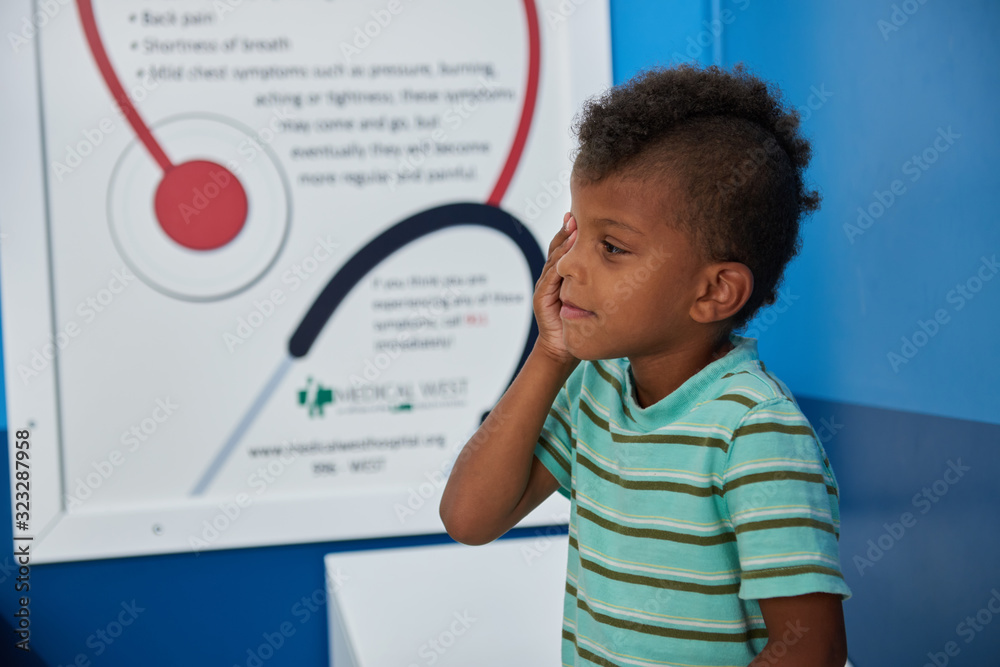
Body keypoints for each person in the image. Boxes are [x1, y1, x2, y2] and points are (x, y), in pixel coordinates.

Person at [439, 62, 851, 666]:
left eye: (611, 247)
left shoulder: (755, 431)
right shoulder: (595, 387)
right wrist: (551, 354)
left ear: (713, 292)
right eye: (574, 235)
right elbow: (469, 517)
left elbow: (811, 652)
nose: (570, 267)